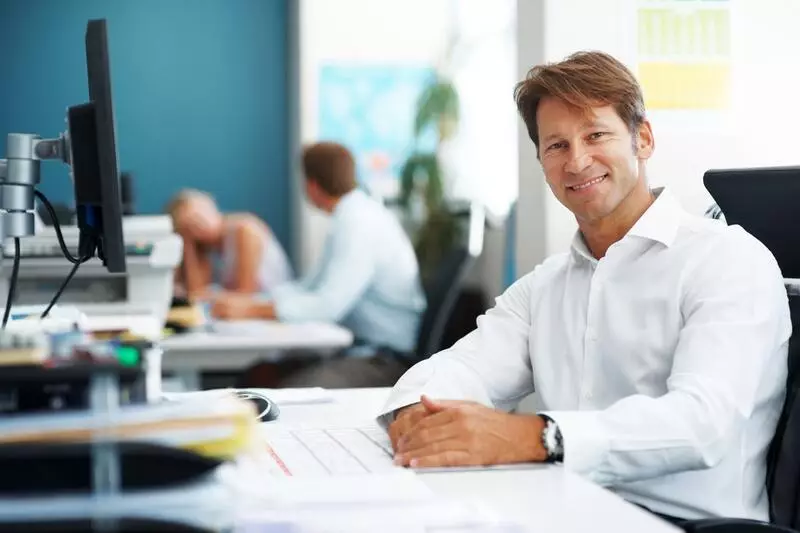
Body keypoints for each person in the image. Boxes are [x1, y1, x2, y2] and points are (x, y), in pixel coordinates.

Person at [383, 51, 791, 524]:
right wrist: (417, 414)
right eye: (556, 145)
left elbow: (701, 425)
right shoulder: (547, 283)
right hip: (562, 512)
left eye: (596, 135)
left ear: (643, 138)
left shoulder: (726, 259)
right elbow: (460, 368)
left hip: (680, 524)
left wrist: (537, 437)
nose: (577, 161)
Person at [212, 142, 426, 387]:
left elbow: (328, 305)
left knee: (286, 393)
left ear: (311, 185)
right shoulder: (349, 217)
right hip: (357, 348)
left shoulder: (359, 223)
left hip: (383, 357)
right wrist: (253, 302)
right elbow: (309, 287)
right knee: (258, 376)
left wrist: (251, 311)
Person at [167, 189, 293, 300]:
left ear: (211, 204)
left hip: (271, 306)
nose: (200, 224)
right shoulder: (209, 249)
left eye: (200, 214)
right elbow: (196, 294)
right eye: (190, 226)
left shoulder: (245, 229)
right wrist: (187, 244)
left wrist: (209, 296)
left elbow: (245, 294)